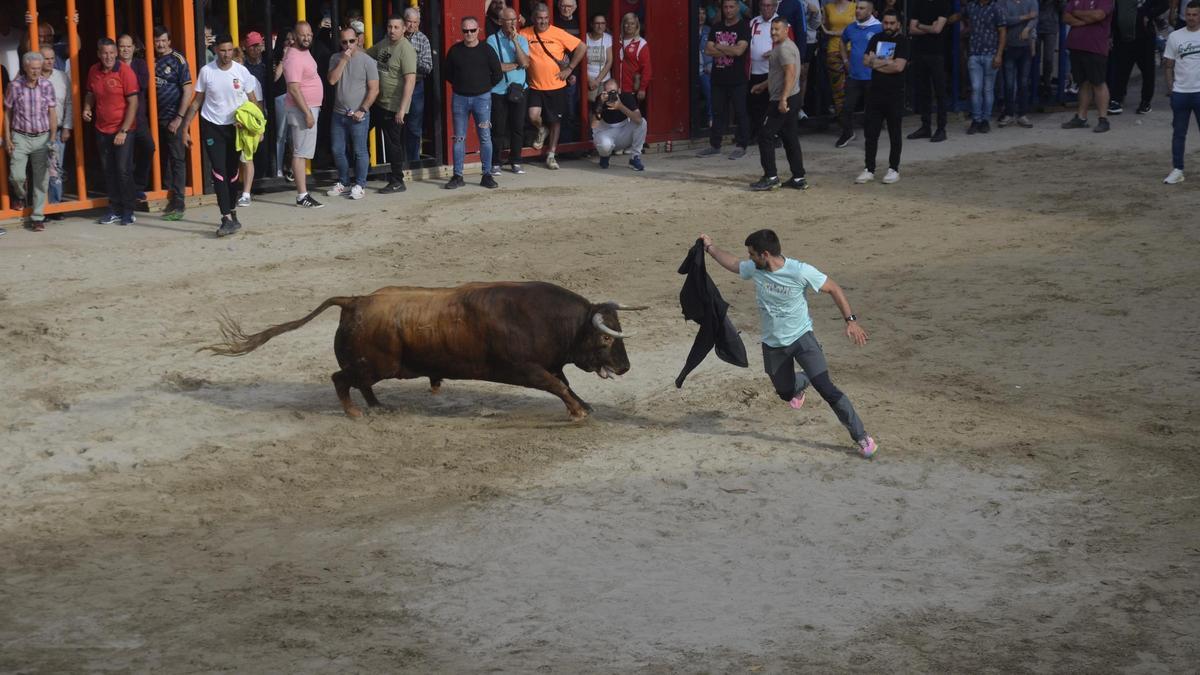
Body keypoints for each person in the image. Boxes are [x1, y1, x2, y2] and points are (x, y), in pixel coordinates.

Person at [698, 229, 877, 458]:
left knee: (827, 389)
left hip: (802, 339)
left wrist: (850, 321)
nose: (749, 259)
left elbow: (833, 287)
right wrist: (710, 248)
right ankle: (803, 380)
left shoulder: (800, 271)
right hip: (773, 345)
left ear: (765, 254)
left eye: (752, 254)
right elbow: (733, 263)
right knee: (785, 393)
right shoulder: (755, 268)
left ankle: (861, 436)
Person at [179, 33, 257, 236]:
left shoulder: (242, 71)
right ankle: (226, 218)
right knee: (219, 172)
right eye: (222, 50)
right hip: (212, 126)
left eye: (230, 50)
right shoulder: (207, 72)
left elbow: (253, 102)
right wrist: (185, 128)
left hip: (236, 127)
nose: (226, 54)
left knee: (232, 173)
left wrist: (257, 128)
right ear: (215, 50)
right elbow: (196, 101)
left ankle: (232, 211)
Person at [520, 3, 586, 170]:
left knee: (556, 121)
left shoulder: (558, 33)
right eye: (539, 18)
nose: (542, 22)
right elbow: (513, 37)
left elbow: (582, 47)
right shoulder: (526, 33)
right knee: (533, 115)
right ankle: (542, 129)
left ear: (549, 18)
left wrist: (570, 68)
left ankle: (551, 154)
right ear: (533, 18)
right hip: (535, 86)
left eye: (545, 18)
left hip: (556, 85)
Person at [83, 38, 138, 226]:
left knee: (123, 170)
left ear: (116, 53)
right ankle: (114, 208)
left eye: (111, 53)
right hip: (102, 129)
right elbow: (90, 93)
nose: (107, 57)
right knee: (109, 171)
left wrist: (123, 130)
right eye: (104, 53)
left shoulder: (125, 71)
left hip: (123, 130)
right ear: (99, 54)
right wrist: (86, 108)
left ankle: (129, 210)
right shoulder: (93, 71)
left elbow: (133, 103)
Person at [749, 17, 808, 191]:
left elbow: (790, 74)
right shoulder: (786, 46)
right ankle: (798, 178)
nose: (773, 32)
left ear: (785, 30)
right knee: (790, 137)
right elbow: (780, 74)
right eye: (772, 29)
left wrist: (782, 99)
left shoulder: (784, 49)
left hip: (783, 99)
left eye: (777, 29)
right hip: (790, 97)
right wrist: (763, 85)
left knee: (765, 135)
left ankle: (771, 177)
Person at [444, 16, 502, 189]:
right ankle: (457, 176)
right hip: (460, 99)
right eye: (465, 31)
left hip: (482, 99)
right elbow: (447, 73)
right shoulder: (455, 51)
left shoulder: (487, 49)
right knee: (459, 138)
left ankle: (486, 175)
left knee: (485, 137)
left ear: (478, 31)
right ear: (462, 31)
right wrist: (462, 85)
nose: (469, 34)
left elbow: (497, 73)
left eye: (472, 30)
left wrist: (484, 87)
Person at [3, 51, 56, 230]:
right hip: (20, 136)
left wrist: (53, 137)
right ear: (25, 68)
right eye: (32, 68)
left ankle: (37, 217)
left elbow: (52, 112)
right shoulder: (15, 86)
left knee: (41, 179)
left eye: (38, 68)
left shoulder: (47, 85)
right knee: (16, 176)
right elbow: (8, 112)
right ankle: (20, 194)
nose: (36, 72)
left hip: (42, 136)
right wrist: (8, 138)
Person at [857, 8, 909, 184]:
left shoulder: (903, 42)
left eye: (892, 23)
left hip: (895, 94)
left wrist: (875, 62)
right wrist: (885, 62)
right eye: (885, 22)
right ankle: (869, 169)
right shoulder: (876, 38)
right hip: (875, 93)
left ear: (899, 24)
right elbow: (865, 61)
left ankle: (894, 169)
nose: (888, 26)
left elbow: (898, 67)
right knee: (871, 134)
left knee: (895, 133)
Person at [326, 26, 379, 200]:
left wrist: (362, 109)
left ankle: (360, 184)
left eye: (351, 41)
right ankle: (344, 181)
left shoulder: (367, 60)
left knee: (360, 151)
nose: (348, 45)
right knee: (337, 149)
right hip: (338, 113)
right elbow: (332, 80)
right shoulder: (335, 58)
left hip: (359, 114)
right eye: (344, 42)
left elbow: (374, 89)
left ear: (358, 40)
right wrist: (343, 60)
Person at [367, 15, 418, 193]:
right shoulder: (383, 43)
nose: (392, 30)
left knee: (392, 144)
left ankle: (397, 180)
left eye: (396, 27)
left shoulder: (406, 49)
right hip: (378, 102)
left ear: (404, 29)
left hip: (394, 105)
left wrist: (402, 109)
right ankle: (365, 170)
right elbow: (367, 55)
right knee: (361, 130)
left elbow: (410, 81)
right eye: (390, 27)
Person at [699, 0, 751, 159]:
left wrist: (719, 46)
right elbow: (708, 50)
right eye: (726, 7)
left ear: (737, 8)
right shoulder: (716, 27)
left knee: (741, 112)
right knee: (717, 113)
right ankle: (715, 145)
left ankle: (741, 145)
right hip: (718, 78)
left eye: (731, 7)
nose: (728, 10)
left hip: (738, 79)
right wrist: (730, 49)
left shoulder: (743, 27)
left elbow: (739, 51)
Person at [151, 26, 192, 220]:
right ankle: (164, 193)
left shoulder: (178, 60)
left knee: (177, 159)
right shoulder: (148, 59)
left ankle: (179, 200)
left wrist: (179, 118)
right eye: (156, 40)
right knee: (160, 157)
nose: (159, 44)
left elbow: (188, 91)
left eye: (162, 40)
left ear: (169, 41)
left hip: (173, 118)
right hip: (152, 118)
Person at [283, 21, 324, 207]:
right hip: (302, 110)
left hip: (309, 108)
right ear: (295, 36)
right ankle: (302, 195)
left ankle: (303, 193)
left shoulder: (303, 52)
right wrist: (307, 113)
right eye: (302, 35)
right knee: (299, 153)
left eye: (309, 34)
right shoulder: (293, 57)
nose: (306, 37)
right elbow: (293, 88)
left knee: (302, 152)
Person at [488, 7, 531, 175]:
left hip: (519, 88)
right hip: (499, 90)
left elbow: (525, 63)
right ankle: (496, 162)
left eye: (515, 19)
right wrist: (515, 65)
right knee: (498, 128)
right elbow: (495, 67)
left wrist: (514, 42)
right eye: (508, 20)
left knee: (517, 127)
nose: (513, 23)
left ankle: (516, 160)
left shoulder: (521, 40)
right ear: (500, 22)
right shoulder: (492, 40)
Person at [1061, 0, 1115, 132]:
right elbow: (1066, 16)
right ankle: (1081, 117)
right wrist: (1086, 20)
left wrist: (1077, 13)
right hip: (1076, 46)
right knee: (1083, 83)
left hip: (1095, 47)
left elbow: (1099, 15)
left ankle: (1103, 119)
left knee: (1098, 83)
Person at [116, 34, 155, 211]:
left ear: (134, 48)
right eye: (122, 46)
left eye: (128, 46)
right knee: (125, 158)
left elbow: (142, 84)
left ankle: (138, 185)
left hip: (139, 119)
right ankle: (128, 193)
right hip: (119, 121)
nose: (125, 49)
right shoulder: (112, 65)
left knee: (149, 147)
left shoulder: (140, 64)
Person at [1163, 0, 1200, 184]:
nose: (1191, 18)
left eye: (1195, 14)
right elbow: (1168, 65)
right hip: (1181, 92)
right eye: (1189, 14)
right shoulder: (1175, 37)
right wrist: (1171, 89)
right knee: (1178, 133)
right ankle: (1178, 169)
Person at [1107, 0, 1167, 115]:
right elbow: (1115, 12)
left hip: (1145, 38)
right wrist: (1111, 33)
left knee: (1147, 71)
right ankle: (1116, 100)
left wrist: (1149, 15)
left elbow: (1164, 4)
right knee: (1121, 70)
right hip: (1122, 37)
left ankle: (1145, 102)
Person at [838, 1, 883, 148]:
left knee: (871, 110)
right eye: (857, 8)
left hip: (872, 77)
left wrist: (879, 66)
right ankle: (847, 133)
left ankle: (871, 139)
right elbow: (842, 41)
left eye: (862, 8)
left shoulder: (879, 28)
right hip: (854, 75)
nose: (857, 11)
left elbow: (886, 50)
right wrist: (845, 60)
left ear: (870, 11)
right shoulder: (851, 27)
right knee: (846, 108)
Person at [907, 0, 952, 142]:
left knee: (940, 92)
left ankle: (941, 128)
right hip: (920, 52)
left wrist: (920, 25)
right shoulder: (918, 4)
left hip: (937, 53)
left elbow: (938, 29)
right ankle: (925, 127)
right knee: (923, 91)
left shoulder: (943, 4)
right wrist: (928, 28)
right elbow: (911, 29)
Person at [962, 0, 1007, 134]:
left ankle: (985, 119)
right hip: (975, 54)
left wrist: (999, 54)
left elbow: (1003, 32)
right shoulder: (971, 6)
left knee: (987, 89)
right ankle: (977, 119)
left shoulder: (996, 8)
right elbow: (961, 15)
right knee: (977, 88)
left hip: (990, 54)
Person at [39, 44, 70, 220]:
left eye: (52, 58)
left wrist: (67, 126)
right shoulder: (32, 77)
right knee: (39, 169)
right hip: (37, 131)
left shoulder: (62, 77)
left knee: (55, 169)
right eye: (46, 58)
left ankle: (56, 206)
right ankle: (42, 207)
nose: (50, 61)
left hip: (57, 130)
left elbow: (69, 104)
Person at [591, 78, 647, 170]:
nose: (611, 96)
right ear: (603, 92)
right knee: (605, 146)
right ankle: (604, 156)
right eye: (608, 93)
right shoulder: (600, 99)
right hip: (606, 133)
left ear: (619, 91)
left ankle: (635, 157)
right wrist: (600, 104)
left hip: (623, 133)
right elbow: (593, 125)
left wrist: (620, 106)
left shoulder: (626, 97)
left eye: (613, 92)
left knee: (643, 123)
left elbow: (638, 119)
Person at [999, 0, 1038, 128]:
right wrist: (1026, 17)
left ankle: (1022, 115)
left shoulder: (1032, 1)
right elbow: (1005, 20)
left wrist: (1027, 28)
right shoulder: (1003, 2)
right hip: (1009, 47)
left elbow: (1035, 19)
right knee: (1009, 84)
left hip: (1025, 47)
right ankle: (1009, 114)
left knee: (1023, 82)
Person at [748, 0, 782, 144]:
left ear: (775, 7)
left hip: (772, 72)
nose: (766, 8)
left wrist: (775, 52)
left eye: (769, 5)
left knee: (772, 106)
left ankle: (773, 136)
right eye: (763, 5)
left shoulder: (782, 23)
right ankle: (758, 134)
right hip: (754, 71)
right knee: (756, 105)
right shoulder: (754, 22)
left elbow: (789, 45)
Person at [404, 8, 433, 163]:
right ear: (404, 20)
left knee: (414, 127)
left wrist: (409, 60)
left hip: (416, 86)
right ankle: (398, 162)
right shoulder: (395, 36)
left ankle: (413, 161)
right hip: (396, 87)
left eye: (415, 22)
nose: (412, 25)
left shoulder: (423, 39)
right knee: (396, 126)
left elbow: (428, 66)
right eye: (409, 21)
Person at [554, 0, 583, 143]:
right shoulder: (553, 22)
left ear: (576, 7)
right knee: (556, 112)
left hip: (573, 74)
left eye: (569, 6)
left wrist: (573, 72)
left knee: (570, 111)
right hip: (554, 73)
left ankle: (568, 144)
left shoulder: (580, 23)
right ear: (558, 6)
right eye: (563, 6)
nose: (566, 9)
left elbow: (581, 50)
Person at [824, 0, 856, 120]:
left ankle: (850, 117)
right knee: (837, 87)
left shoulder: (855, 7)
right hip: (833, 50)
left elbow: (857, 28)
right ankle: (844, 123)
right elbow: (823, 25)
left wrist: (833, 32)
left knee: (854, 86)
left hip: (851, 49)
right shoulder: (828, 8)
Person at [616, 13, 651, 105]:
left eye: (632, 24)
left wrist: (642, 89)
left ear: (637, 26)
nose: (629, 26)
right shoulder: (616, 40)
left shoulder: (641, 44)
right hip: (614, 88)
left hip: (631, 89)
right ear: (623, 25)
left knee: (632, 116)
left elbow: (646, 69)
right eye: (626, 23)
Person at [1037, 0, 1064, 97]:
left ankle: (1047, 83)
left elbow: (1063, 8)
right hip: (1036, 24)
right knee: (1034, 57)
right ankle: (1035, 82)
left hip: (1051, 26)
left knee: (1048, 58)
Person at [586, 12, 614, 102]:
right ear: (592, 24)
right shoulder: (585, 37)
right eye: (597, 23)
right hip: (588, 79)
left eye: (602, 23)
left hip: (604, 79)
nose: (600, 26)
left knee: (603, 107)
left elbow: (609, 61)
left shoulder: (608, 38)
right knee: (591, 106)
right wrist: (589, 79)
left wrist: (598, 80)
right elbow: (580, 61)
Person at [697, 7, 714, 127]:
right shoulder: (688, 29)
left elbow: (715, 50)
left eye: (703, 13)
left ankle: (711, 119)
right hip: (692, 69)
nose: (701, 16)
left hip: (705, 70)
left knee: (710, 92)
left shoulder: (709, 30)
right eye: (698, 13)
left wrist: (711, 66)